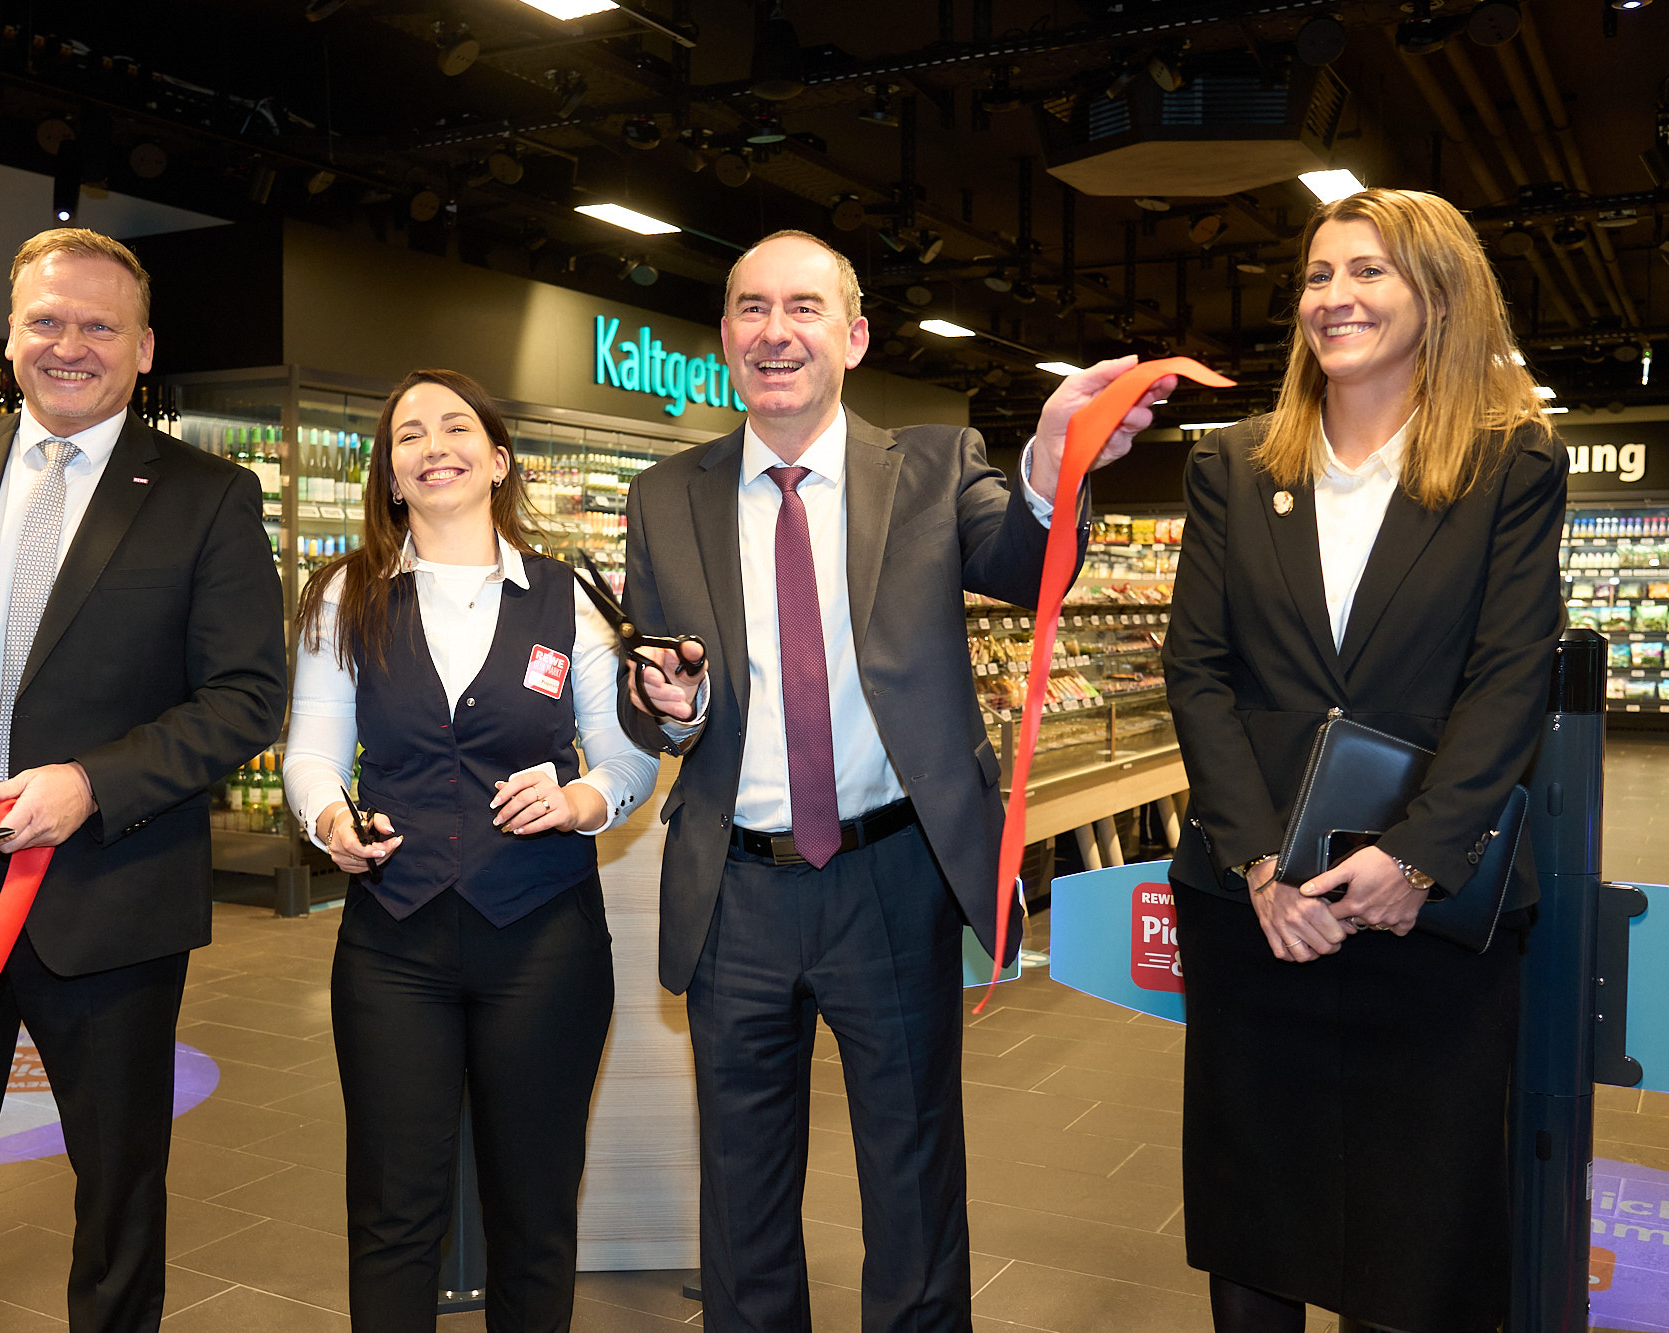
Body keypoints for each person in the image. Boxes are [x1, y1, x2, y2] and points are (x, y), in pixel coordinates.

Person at [615, 228, 1174, 1331]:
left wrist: (1046, 465)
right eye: (750, 309)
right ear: (724, 335)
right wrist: (665, 708)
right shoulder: (662, 496)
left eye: (803, 308)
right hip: (734, 891)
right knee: (741, 1190)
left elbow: (1023, 564)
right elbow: (653, 686)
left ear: (854, 335)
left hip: (888, 876)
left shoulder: (929, 467)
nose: (775, 332)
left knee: (912, 1177)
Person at [0, 228, 287, 1333]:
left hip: (108, 891)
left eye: (98, 326)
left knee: (118, 1194)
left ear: (143, 350)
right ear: (9, 333)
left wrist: (92, 781)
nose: (68, 344)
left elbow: (243, 695)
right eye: (47, 320)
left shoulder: (207, 496)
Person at [1162, 188, 1565, 1333]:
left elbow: (1506, 676)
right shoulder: (1233, 466)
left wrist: (1416, 858)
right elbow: (1197, 673)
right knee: (1255, 1218)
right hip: (1256, 913)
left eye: (1367, 271)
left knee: (1413, 1235)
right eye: (1317, 275)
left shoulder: (1508, 462)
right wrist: (1256, 865)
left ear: (1436, 294)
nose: (1332, 296)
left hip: (1423, 917)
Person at [280, 368, 659, 1332]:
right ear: (391, 472)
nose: (433, 444)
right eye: (409, 434)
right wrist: (332, 822)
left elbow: (627, 760)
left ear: (498, 459)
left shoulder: (569, 598)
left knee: (534, 1211)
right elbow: (314, 752)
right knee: (394, 1210)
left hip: (544, 940)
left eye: (456, 427)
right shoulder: (343, 597)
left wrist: (578, 797)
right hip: (391, 944)